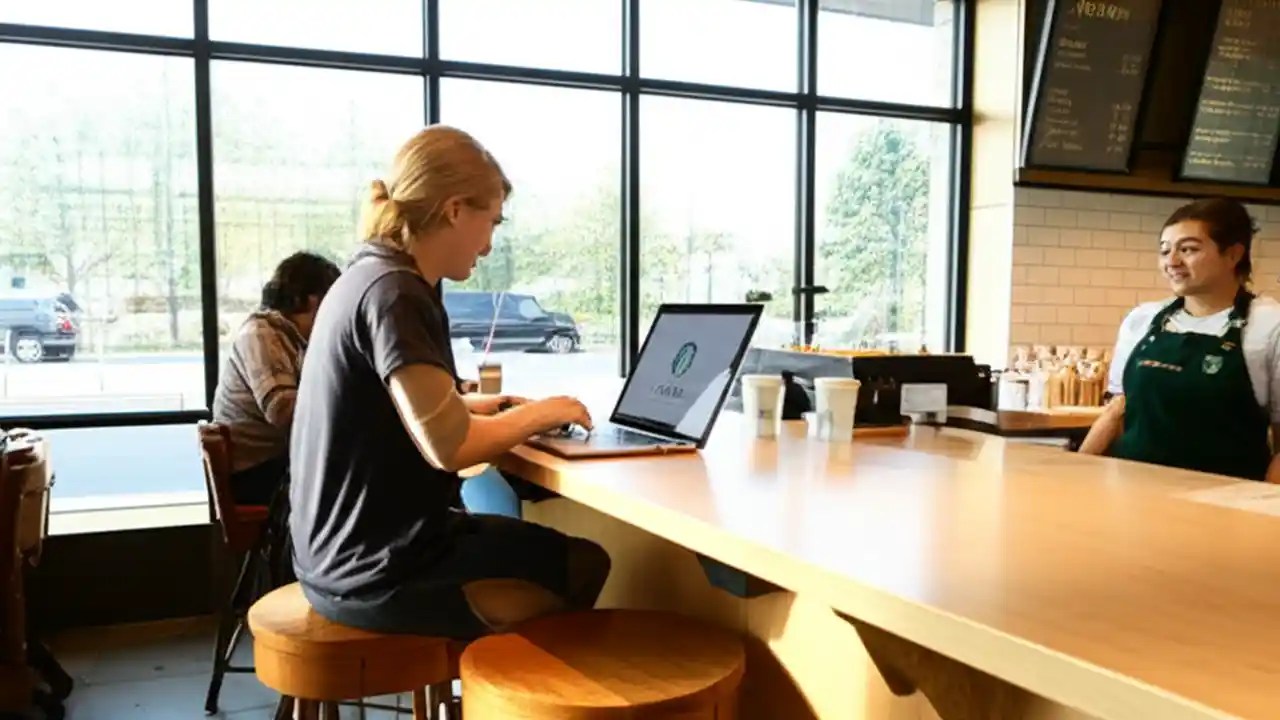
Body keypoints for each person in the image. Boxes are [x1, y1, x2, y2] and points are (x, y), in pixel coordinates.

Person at [289, 125, 610, 640]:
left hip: (333, 553)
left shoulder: (371, 274)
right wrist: (545, 412)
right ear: (455, 209)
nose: (489, 244)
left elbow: (402, 406)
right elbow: (451, 446)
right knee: (582, 564)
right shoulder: (397, 292)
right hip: (378, 568)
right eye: (492, 222)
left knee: (565, 557)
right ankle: (509, 700)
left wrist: (490, 406)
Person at [1079, 198, 1280, 482]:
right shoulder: (1142, 320)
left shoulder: (1270, 326)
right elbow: (1117, 411)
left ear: (1234, 254)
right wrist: (1076, 474)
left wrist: (1264, 511)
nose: (1171, 262)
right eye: (1164, 250)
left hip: (1226, 505)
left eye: (1188, 249)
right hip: (1132, 495)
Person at [213, 251, 341, 505]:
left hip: (273, 465)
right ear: (314, 301)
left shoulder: (291, 339)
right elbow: (282, 411)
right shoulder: (262, 334)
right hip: (258, 473)